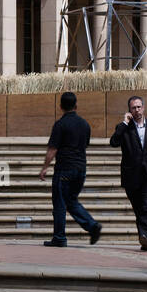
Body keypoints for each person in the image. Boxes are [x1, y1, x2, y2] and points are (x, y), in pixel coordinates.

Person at [108, 95, 147, 251]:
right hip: (131, 176)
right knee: (138, 209)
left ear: (143, 108)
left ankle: (146, 237)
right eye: (133, 108)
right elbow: (113, 142)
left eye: (138, 107)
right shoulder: (124, 127)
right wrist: (124, 122)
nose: (136, 110)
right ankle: (145, 237)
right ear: (129, 110)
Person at [40, 91, 102, 248]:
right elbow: (85, 145)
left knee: (60, 203)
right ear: (76, 105)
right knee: (71, 201)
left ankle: (59, 238)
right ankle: (92, 225)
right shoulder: (85, 124)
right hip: (81, 169)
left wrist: (45, 168)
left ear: (60, 106)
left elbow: (53, 149)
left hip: (64, 169)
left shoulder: (60, 124)